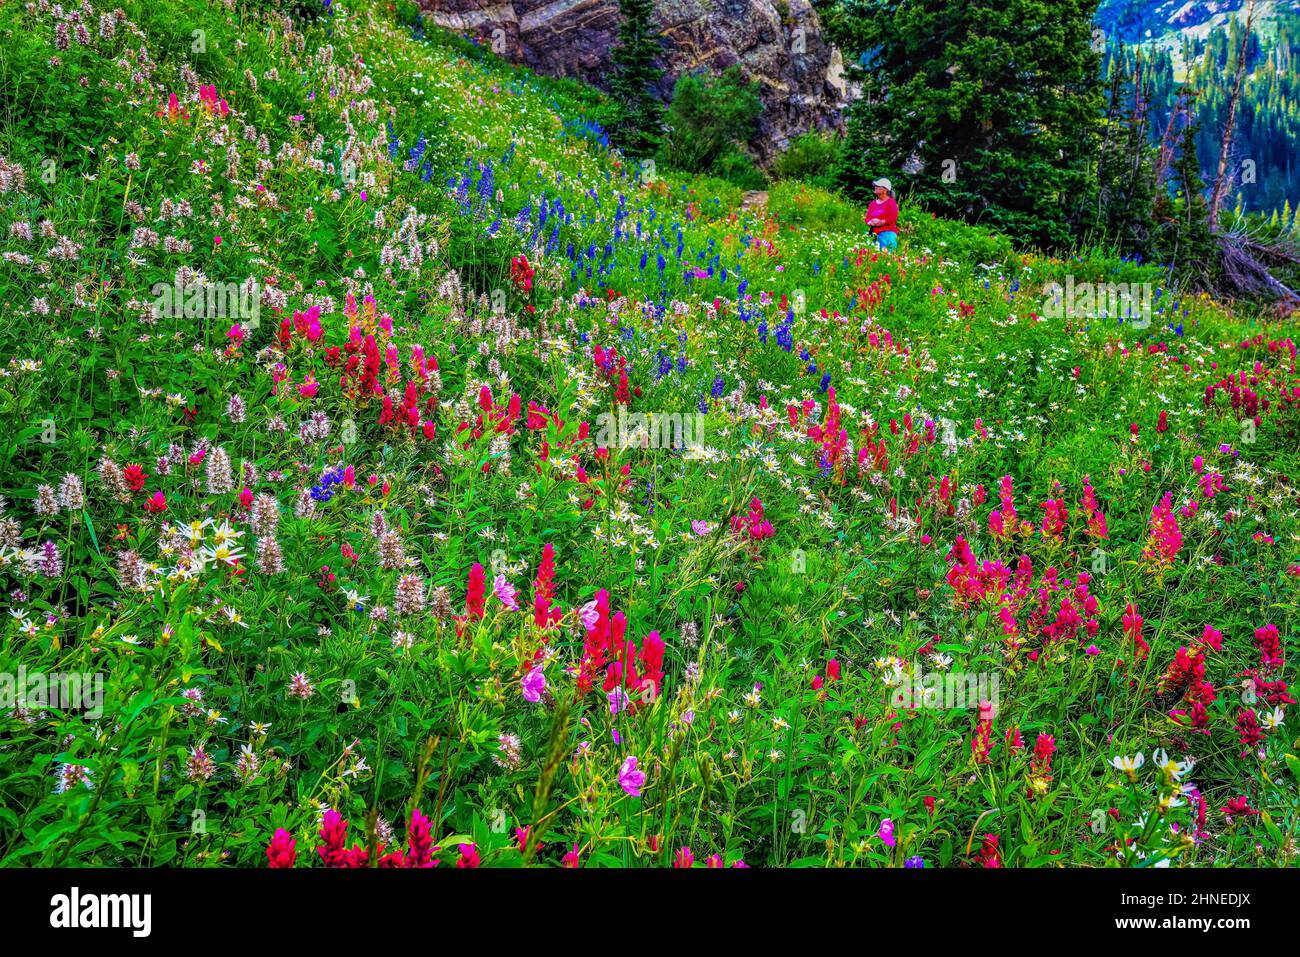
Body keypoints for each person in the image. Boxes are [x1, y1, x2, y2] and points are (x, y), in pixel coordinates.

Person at [864, 178, 899, 251]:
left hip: (887, 234)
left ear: (885, 190)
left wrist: (881, 222)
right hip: (873, 233)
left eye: (878, 186)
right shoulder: (872, 204)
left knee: (887, 256)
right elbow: (867, 218)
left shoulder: (891, 202)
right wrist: (870, 222)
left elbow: (893, 218)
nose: (875, 187)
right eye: (875, 185)